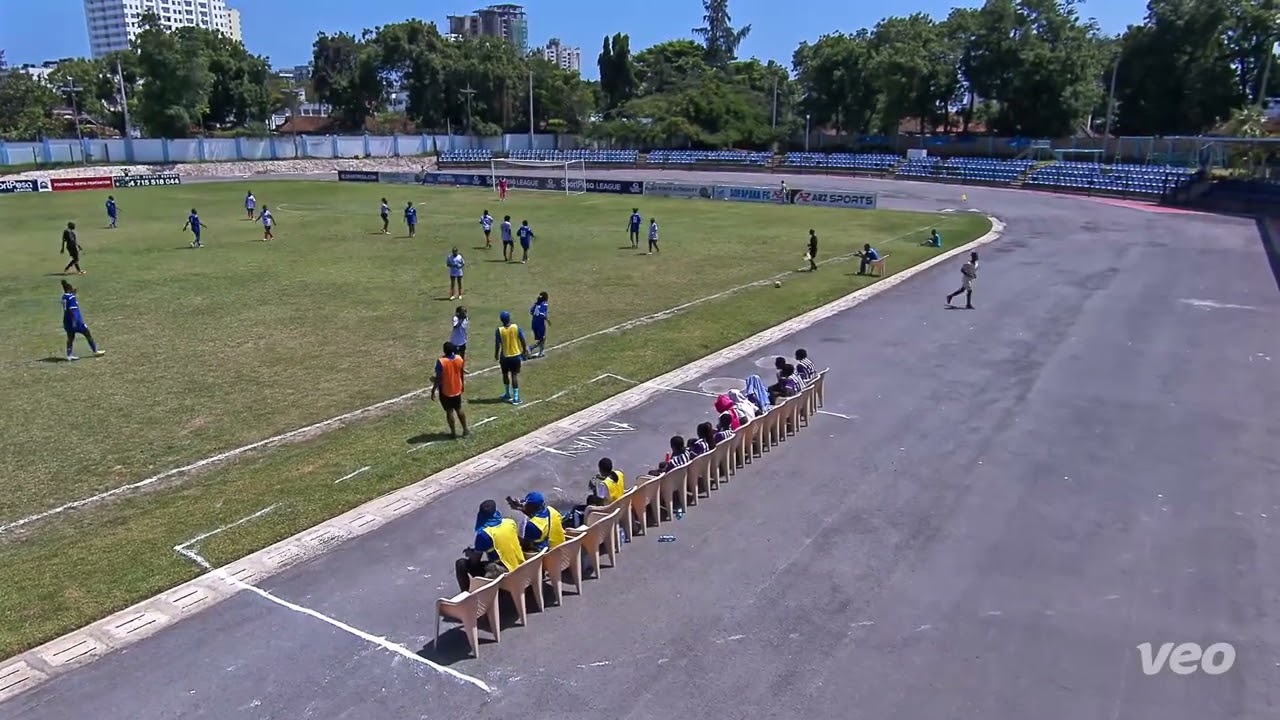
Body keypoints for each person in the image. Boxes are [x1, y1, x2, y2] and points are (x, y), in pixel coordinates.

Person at [456, 500, 523, 592]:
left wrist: (471, 553)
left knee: (461, 564)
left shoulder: (484, 535)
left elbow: (474, 562)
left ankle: (466, 594)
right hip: (519, 565)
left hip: (504, 572)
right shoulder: (510, 522)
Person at [564, 457, 626, 528]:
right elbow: (614, 482)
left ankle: (577, 529)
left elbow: (599, 502)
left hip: (608, 509)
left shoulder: (604, 484)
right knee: (589, 499)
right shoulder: (619, 474)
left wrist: (593, 489)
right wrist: (603, 477)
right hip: (618, 505)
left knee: (576, 510)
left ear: (601, 469)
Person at [430, 341, 468, 438]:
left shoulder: (441, 362)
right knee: (459, 408)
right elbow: (460, 370)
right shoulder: (459, 359)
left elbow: (439, 378)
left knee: (449, 411)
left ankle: (453, 433)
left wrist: (433, 388)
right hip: (457, 388)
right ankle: (465, 430)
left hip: (446, 390)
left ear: (444, 350)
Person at [60, 279, 104, 360]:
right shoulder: (72, 297)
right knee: (88, 334)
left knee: (70, 338)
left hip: (66, 321)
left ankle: (69, 355)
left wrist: (73, 292)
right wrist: (74, 322)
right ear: (70, 289)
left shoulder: (64, 297)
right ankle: (95, 351)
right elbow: (72, 310)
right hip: (76, 321)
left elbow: (69, 298)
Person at [494, 310, 528, 404]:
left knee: (505, 374)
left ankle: (507, 393)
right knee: (514, 375)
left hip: (504, 356)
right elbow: (522, 339)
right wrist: (524, 350)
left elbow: (497, 344)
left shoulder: (499, 330)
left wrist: (496, 354)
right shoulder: (516, 327)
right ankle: (516, 397)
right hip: (515, 355)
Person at [529, 291, 549, 358]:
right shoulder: (545, 305)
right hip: (540, 323)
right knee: (542, 338)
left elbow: (531, 312)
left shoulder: (536, 304)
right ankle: (531, 348)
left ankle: (541, 352)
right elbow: (543, 315)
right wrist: (548, 321)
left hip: (534, 323)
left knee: (540, 338)